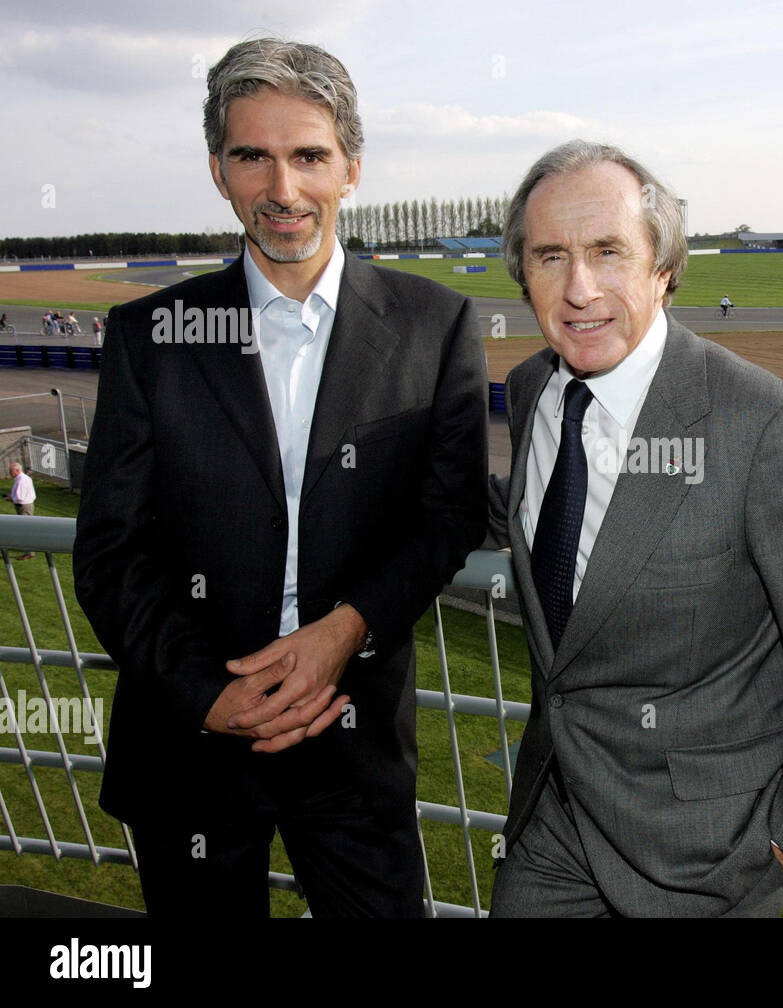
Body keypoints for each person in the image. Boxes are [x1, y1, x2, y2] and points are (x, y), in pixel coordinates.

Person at [73, 38, 488, 918]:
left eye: (308, 156)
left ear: (352, 169)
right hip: (190, 745)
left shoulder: (437, 325)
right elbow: (110, 554)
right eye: (252, 156)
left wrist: (349, 628)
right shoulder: (148, 336)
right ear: (219, 172)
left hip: (353, 739)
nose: (283, 189)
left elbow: (449, 515)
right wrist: (209, 695)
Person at [486, 140, 783, 917]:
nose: (579, 288)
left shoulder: (767, 427)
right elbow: (540, 510)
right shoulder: (533, 390)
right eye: (551, 257)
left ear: (664, 267)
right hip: (551, 822)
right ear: (525, 275)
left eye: (608, 252)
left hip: (709, 860)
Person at [6, 462, 36, 559]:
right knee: (26, 528)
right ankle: (27, 549)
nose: (10, 473)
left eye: (11, 471)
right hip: (26, 505)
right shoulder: (23, 478)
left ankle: (30, 552)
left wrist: (11, 498)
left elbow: (19, 497)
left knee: (26, 529)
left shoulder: (21, 480)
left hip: (24, 506)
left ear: (17, 470)